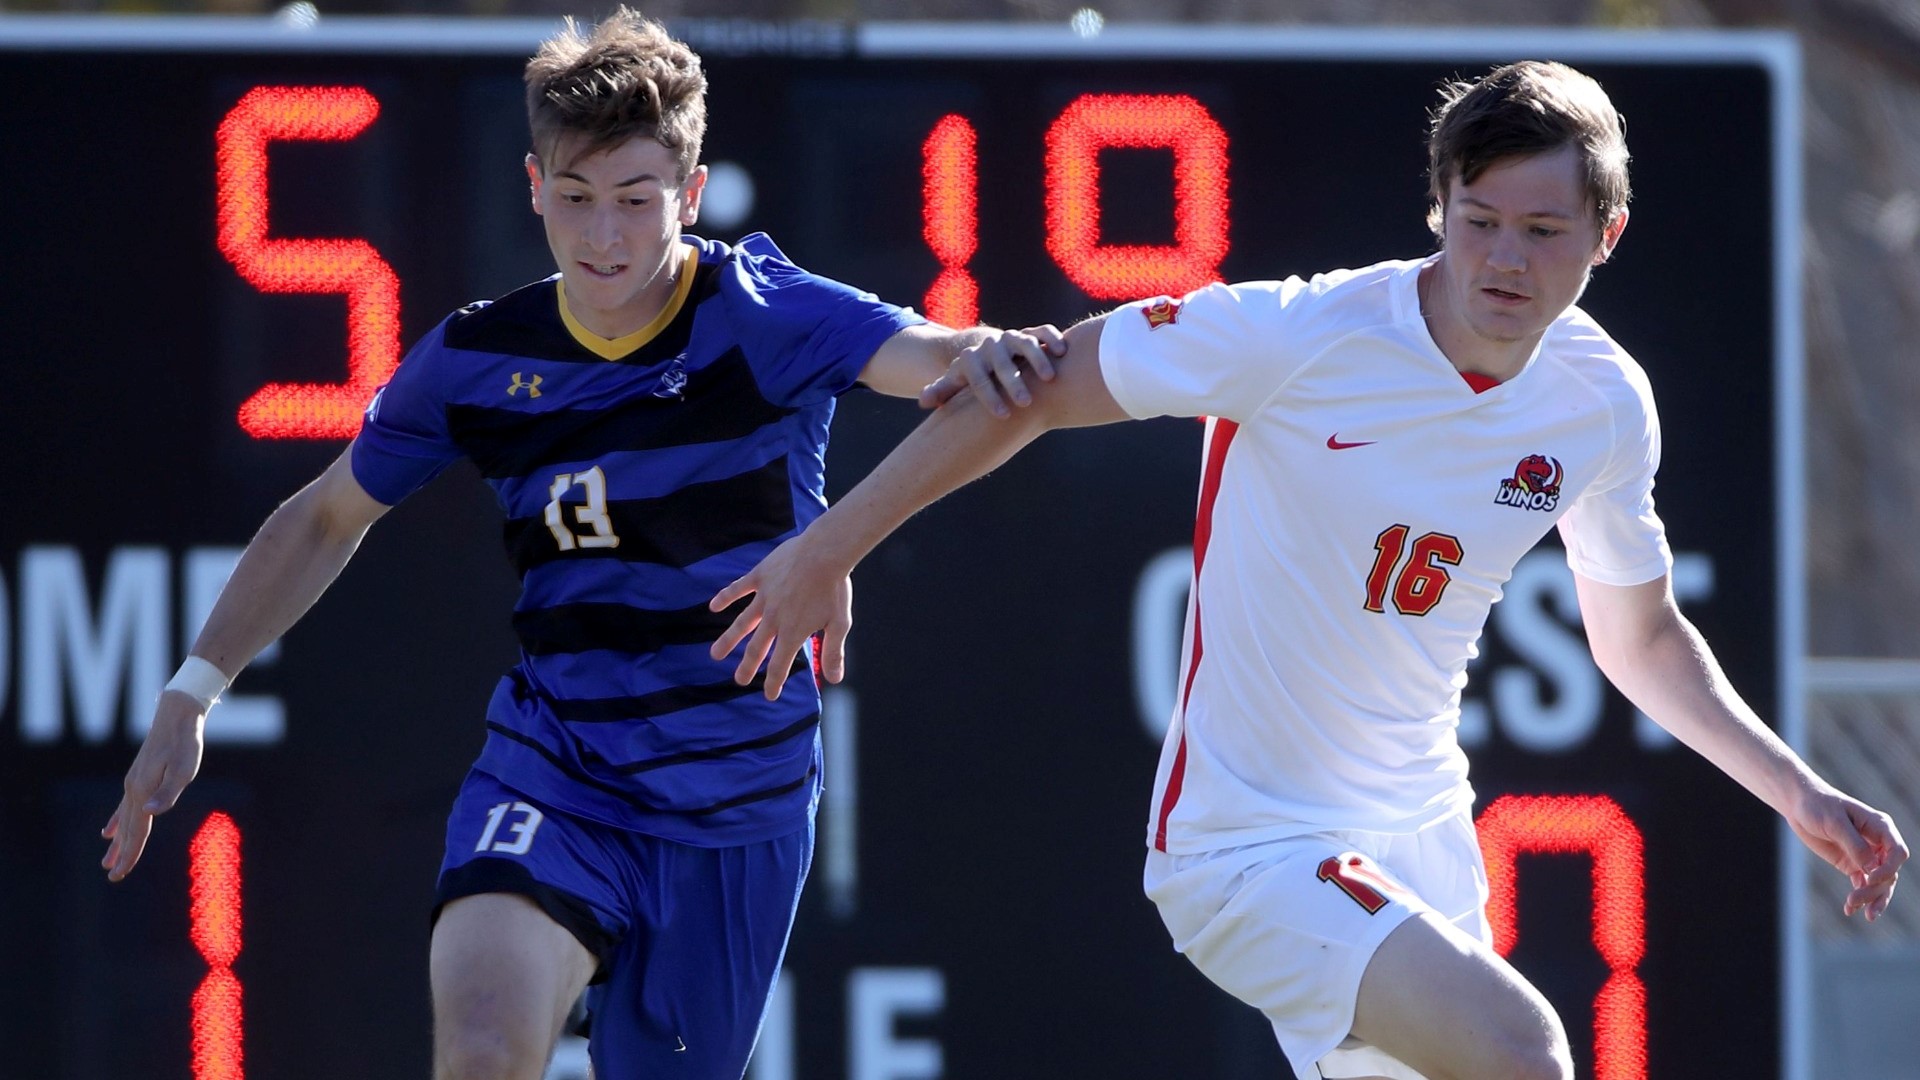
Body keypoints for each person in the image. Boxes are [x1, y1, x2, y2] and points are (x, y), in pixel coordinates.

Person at [707, 60, 1908, 1080]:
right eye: (1479, 217)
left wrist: (1797, 791)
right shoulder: (1301, 337)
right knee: (1525, 1048)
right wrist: (827, 547)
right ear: (1437, 206)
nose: (1504, 257)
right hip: (1248, 849)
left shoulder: (1601, 401)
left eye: (1544, 231)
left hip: (1425, 838)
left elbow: (1638, 640)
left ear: (1607, 235)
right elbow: (1026, 390)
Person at [100, 9, 1055, 1080]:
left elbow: (967, 375)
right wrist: (191, 690)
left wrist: (831, 541)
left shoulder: (766, 314)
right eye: (577, 199)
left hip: (735, 806)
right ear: (534, 188)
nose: (604, 238)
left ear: (689, 199)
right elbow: (322, 517)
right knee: (482, 1050)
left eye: (637, 203)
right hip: (558, 769)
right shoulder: (474, 358)